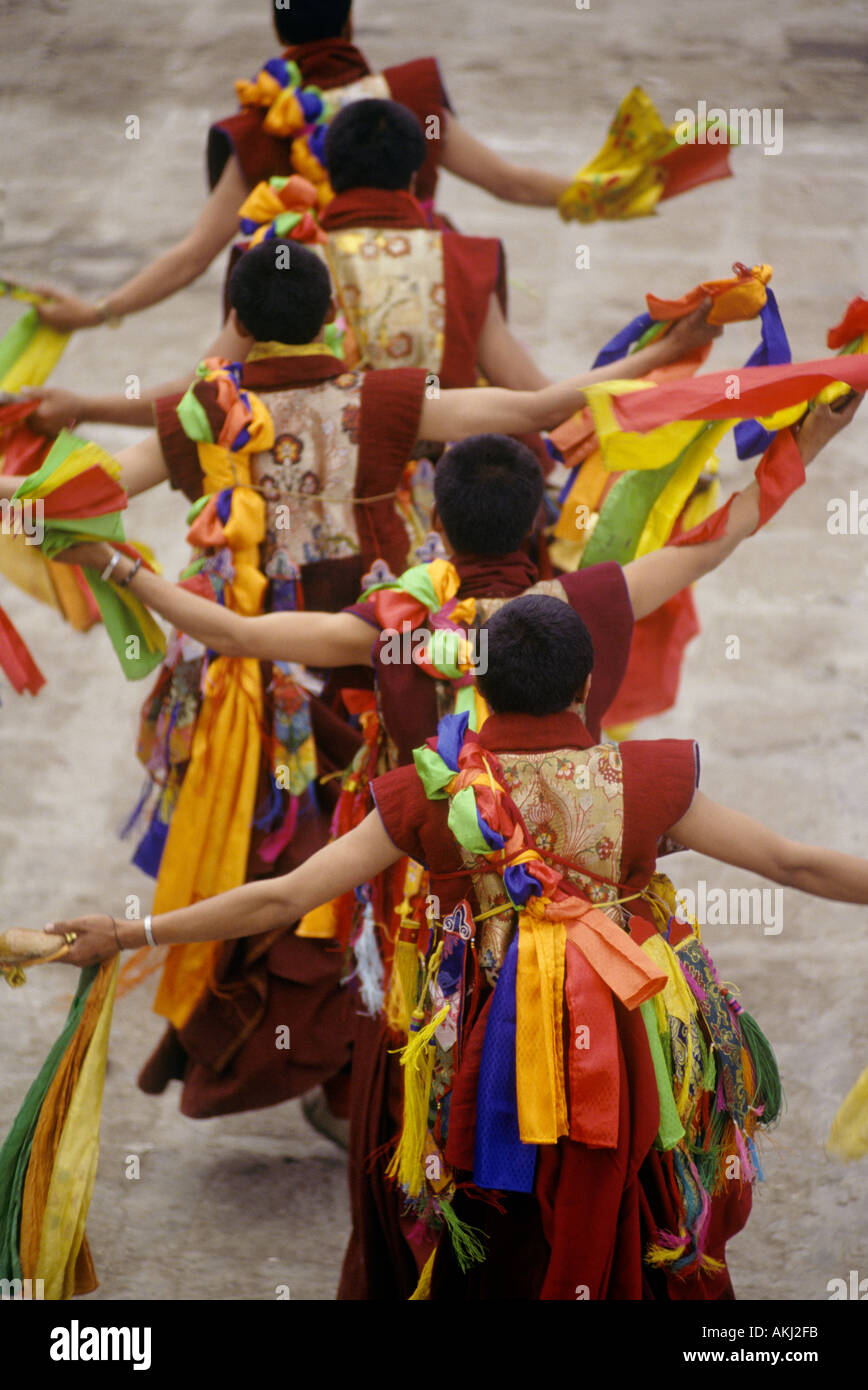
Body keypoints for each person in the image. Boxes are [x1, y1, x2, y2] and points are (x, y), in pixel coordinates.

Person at [45, 581, 868, 1300]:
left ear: (477, 686)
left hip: (480, 1047)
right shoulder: (645, 784)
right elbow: (796, 864)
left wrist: (127, 931)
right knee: (624, 1201)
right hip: (623, 1042)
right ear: (586, 685)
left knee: (485, 1214)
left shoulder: (427, 798)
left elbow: (286, 897)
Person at [28, 0, 574, 339]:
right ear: (351, 16)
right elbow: (512, 183)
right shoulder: (405, 100)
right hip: (421, 294)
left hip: (303, 319)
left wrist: (98, 311)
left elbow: (192, 256)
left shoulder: (263, 131)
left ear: (276, 25)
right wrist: (608, 191)